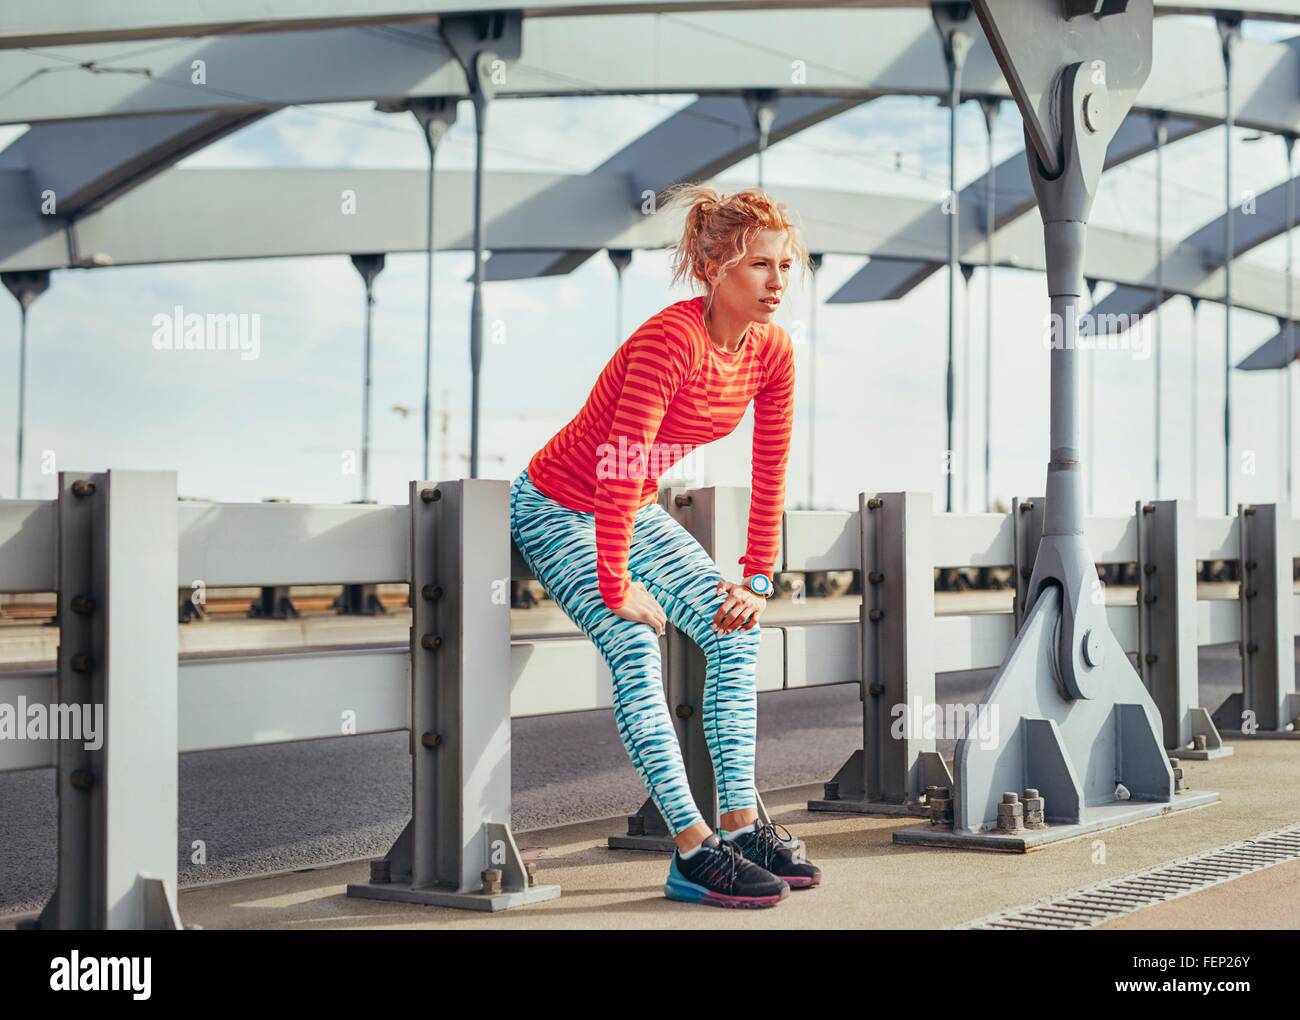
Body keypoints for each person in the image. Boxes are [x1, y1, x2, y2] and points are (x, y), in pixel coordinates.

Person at [509, 184, 822, 908]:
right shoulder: (669, 342)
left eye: (785, 266)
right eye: (758, 267)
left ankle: (741, 826)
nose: (777, 283)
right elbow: (620, 461)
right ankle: (691, 848)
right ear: (714, 269)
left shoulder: (772, 354)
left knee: (735, 632)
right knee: (635, 643)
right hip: (557, 507)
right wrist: (617, 583)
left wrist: (756, 578)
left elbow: (770, 468)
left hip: (632, 508)